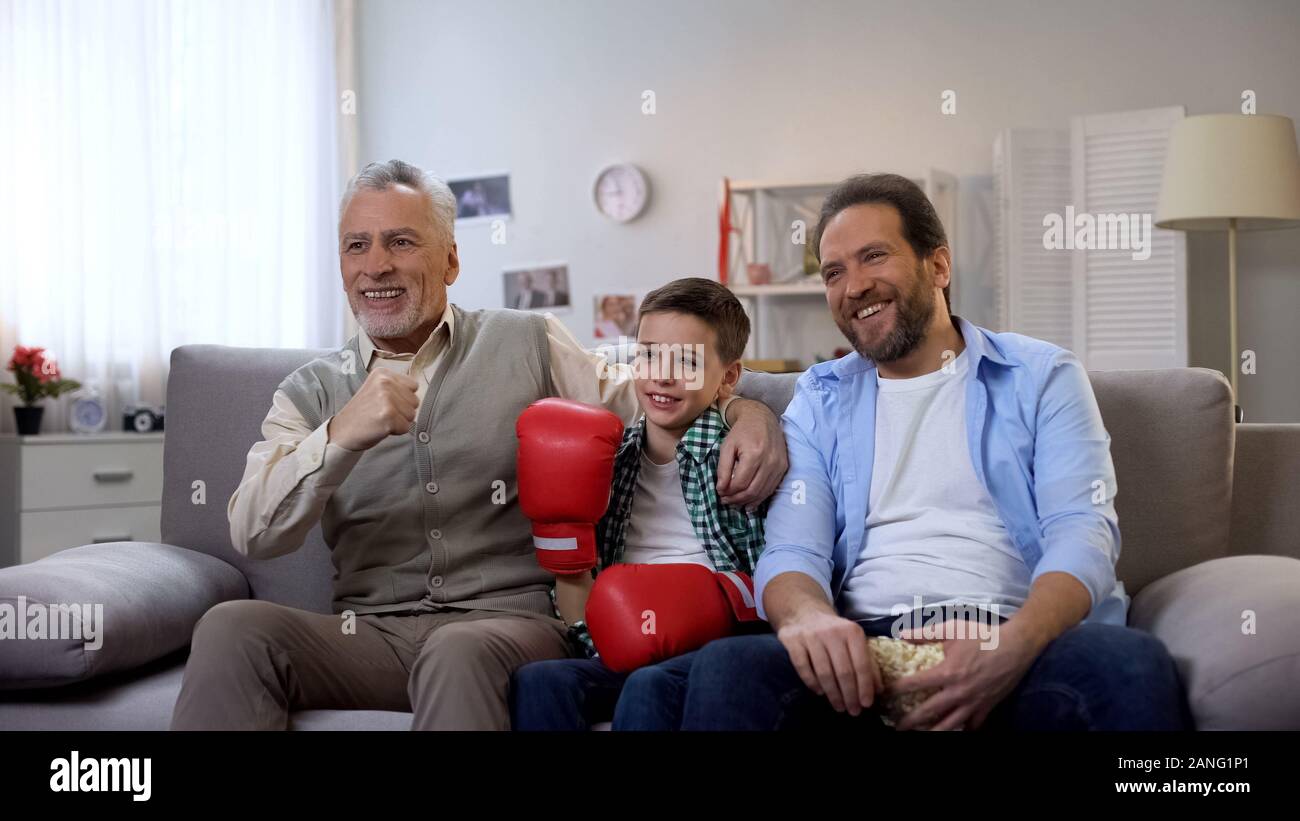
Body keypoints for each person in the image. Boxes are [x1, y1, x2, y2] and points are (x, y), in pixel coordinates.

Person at [169, 160, 788, 731]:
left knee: (456, 648)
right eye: (356, 245)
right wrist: (339, 437)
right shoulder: (308, 393)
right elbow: (253, 532)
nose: (375, 265)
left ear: (451, 262)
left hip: (509, 626)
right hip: (369, 633)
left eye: (401, 242)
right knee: (232, 628)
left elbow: (654, 393)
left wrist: (747, 407)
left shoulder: (528, 340)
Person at [678, 173, 1191, 731]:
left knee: (1128, 665)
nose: (854, 287)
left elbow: (1083, 531)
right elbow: (793, 551)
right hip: (866, 645)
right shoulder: (819, 400)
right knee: (728, 669)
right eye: (833, 272)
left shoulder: (1041, 375)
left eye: (874, 256)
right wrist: (808, 620)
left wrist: (1012, 646)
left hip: (1020, 636)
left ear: (939, 266)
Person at [510, 278, 766, 730]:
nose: (662, 375)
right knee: (540, 681)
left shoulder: (741, 456)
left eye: (686, 361)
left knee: (649, 685)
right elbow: (579, 606)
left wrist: (718, 606)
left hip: (714, 650)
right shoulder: (608, 461)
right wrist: (567, 558)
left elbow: (777, 572)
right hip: (622, 642)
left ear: (728, 376)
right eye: (648, 354)